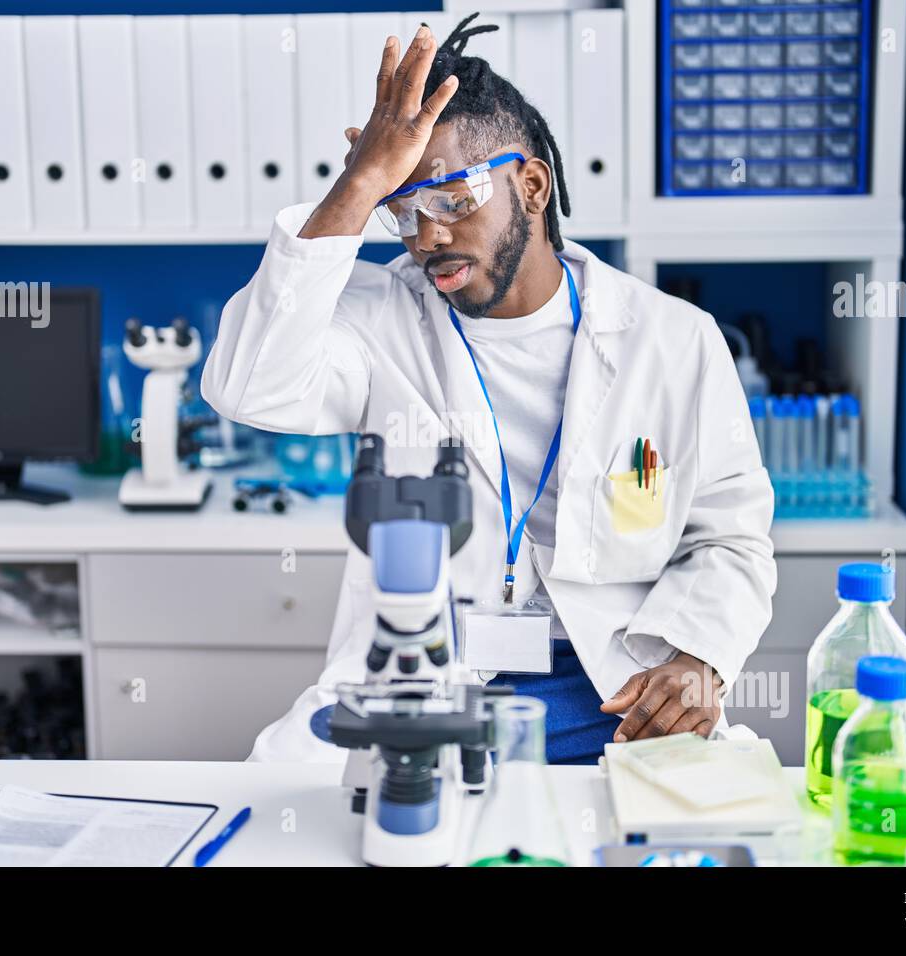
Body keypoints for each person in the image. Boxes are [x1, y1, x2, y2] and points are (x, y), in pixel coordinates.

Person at [202, 15, 776, 765]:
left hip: (608, 689)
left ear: (531, 186)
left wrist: (700, 655)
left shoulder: (674, 341)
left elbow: (729, 536)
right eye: (402, 211)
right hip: (424, 684)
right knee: (304, 808)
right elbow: (250, 387)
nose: (425, 236)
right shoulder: (383, 319)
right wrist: (359, 182)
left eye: (450, 199)